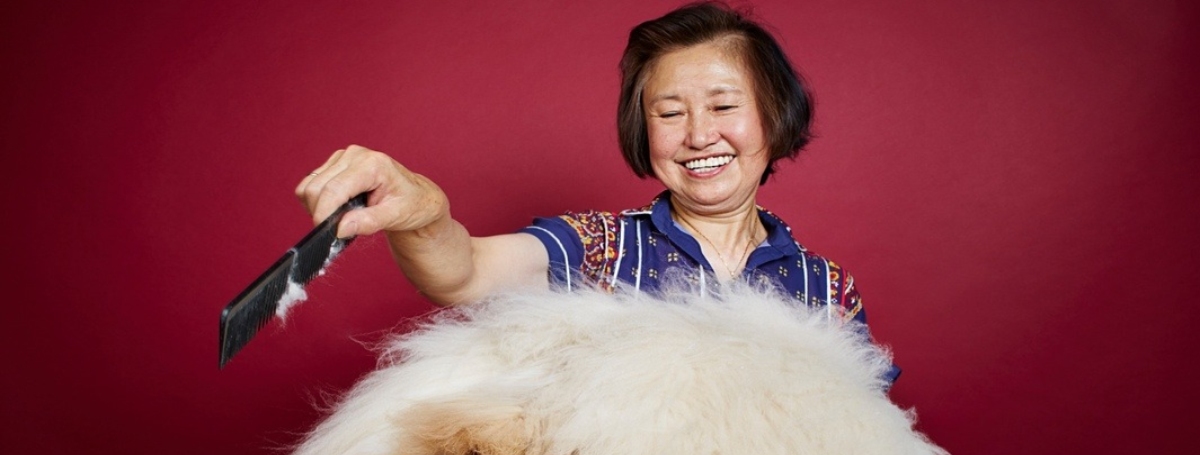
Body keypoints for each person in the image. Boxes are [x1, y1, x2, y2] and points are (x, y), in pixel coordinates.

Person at [296, 1, 897, 383]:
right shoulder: (596, 247)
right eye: (669, 113)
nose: (698, 135)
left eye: (723, 106)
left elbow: (862, 445)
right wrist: (424, 214)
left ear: (773, 118)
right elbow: (464, 273)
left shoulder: (827, 291)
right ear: (643, 130)